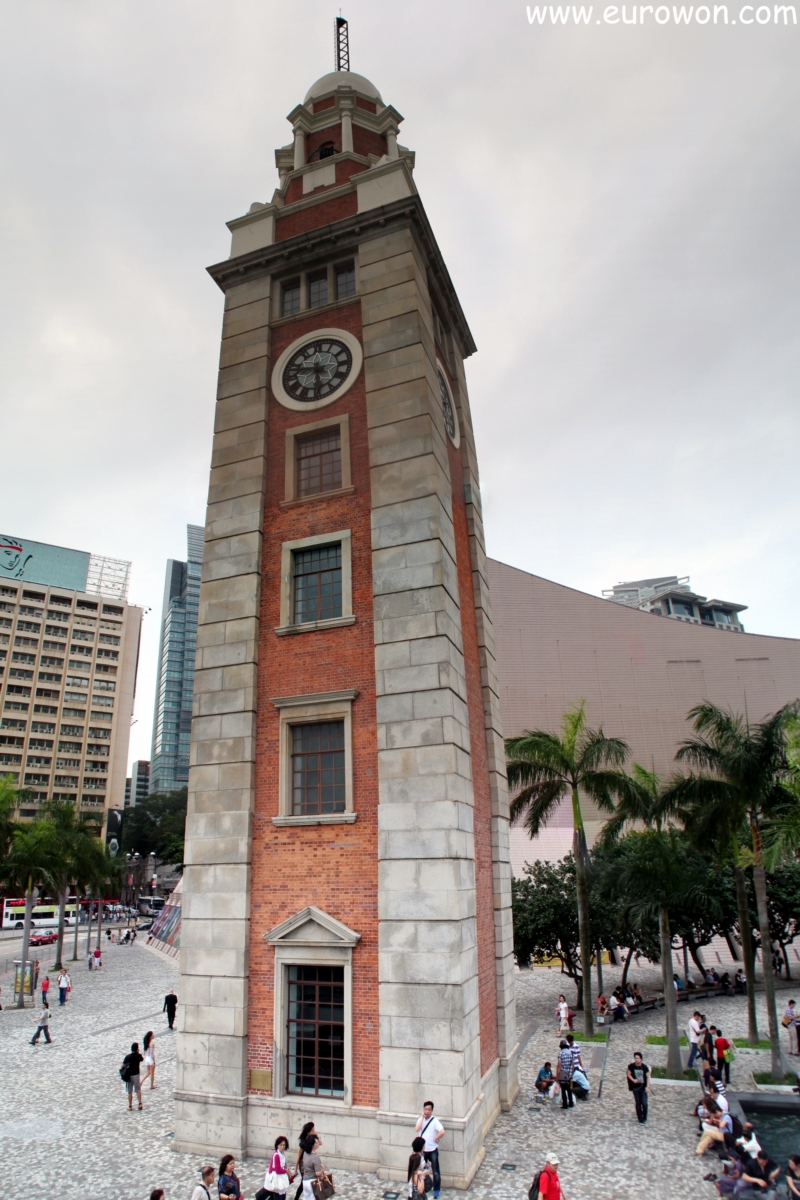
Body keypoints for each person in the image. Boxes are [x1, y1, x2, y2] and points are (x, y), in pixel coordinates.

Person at [415, 1101, 444, 1198]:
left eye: (429, 1110)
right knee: (421, 1171)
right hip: (423, 1151)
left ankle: (436, 1190)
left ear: (432, 1110)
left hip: (433, 1150)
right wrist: (422, 1118)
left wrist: (435, 1138)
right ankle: (423, 1187)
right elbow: (417, 1129)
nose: (427, 1111)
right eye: (425, 1109)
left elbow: (442, 1131)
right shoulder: (421, 1119)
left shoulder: (434, 1121)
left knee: (436, 1171)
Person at [262, 1134, 294, 1200]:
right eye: (280, 1145)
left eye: (284, 1145)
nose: (282, 1147)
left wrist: (286, 1167)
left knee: (282, 1195)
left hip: (281, 1178)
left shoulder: (281, 1153)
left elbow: (284, 1163)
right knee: (278, 1196)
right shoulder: (276, 1155)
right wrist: (286, 1171)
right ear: (277, 1145)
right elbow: (278, 1170)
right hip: (277, 1179)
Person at [626, 1052, 650, 1124]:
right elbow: (628, 1074)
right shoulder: (631, 1066)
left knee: (644, 1103)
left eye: (638, 1058)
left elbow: (648, 1077)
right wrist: (633, 1080)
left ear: (641, 1059)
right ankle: (640, 1118)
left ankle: (645, 1116)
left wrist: (648, 1087)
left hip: (643, 1088)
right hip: (635, 1088)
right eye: (635, 1058)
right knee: (638, 1103)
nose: (636, 1060)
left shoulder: (645, 1067)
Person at [300, 1135, 325, 1200]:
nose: (318, 1143)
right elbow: (317, 1173)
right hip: (312, 1182)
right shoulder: (315, 1157)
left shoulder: (305, 1153)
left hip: (305, 1181)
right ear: (312, 1145)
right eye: (316, 1142)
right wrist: (322, 1170)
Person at [123, 1041, 144, 1110]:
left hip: (129, 1076)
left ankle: (130, 1106)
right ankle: (140, 1103)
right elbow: (142, 1059)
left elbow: (123, 1065)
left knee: (129, 1091)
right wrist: (138, 1053)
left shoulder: (127, 1057)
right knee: (138, 1089)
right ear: (137, 1049)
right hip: (136, 1075)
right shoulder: (138, 1056)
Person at [557, 1040, 574, 1109]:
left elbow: (559, 1065)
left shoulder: (561, 1054)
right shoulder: (570, 1053)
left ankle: (565, 1104)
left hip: (563, 1074)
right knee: (569, 1088)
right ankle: (571, 1103)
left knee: (563, 1089)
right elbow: (573, 1065)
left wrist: (558, 1075)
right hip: (569, 1074)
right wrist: (571, 1074)